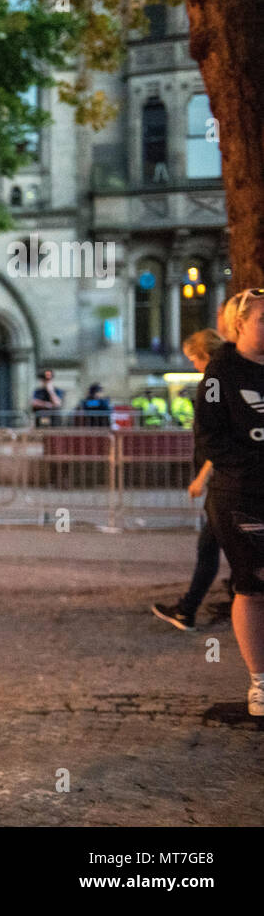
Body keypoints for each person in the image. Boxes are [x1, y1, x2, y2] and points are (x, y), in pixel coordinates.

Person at [194, 288, 264, 715]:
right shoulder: (220, 373)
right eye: (263, 320)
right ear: (239, 325)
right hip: (243, 495)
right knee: (254, 585)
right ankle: (259, 682)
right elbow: (209, 438)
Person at [153, 329, 227, 631]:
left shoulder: (216, 383)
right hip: (227, 481)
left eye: (194, 359)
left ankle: (188, 610)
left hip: (226, 483)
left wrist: (200, 478)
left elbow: (222, 438)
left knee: (210, 548)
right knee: (222, 547)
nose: (194, 366)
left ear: (206, 356)